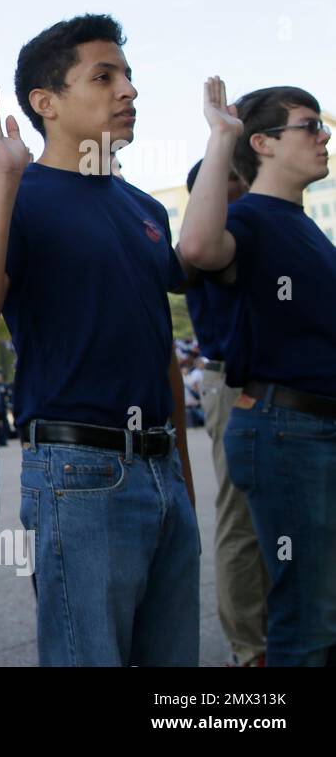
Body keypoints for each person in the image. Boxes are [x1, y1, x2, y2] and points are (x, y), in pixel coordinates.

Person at [0, 14, 198, 666]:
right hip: (80, 476)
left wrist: (184, 484)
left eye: (129, 76)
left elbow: (159, 349)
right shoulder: (19, 194)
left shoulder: (145, 207)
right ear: (46, 102)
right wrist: (1, 179)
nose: (129, 91)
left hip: (164, 469)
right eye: (104, 76)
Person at [179, 78, 336, 667]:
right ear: (264, 143)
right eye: (310, 125)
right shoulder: (251, 218)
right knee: (306, 620)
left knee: (323, 612)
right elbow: (195, 247)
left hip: (308, 426)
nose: (323, 138)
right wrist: (221, 135)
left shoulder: (299, 223)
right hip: (288, 428)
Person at [184, 158, 267, 668]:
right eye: (232, 176)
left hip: (278, 384)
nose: (244, 183)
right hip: (231, 382)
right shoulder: (205, 237)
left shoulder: (261, 227)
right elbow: (186, 263)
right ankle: (249, 648)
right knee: (241, 516)